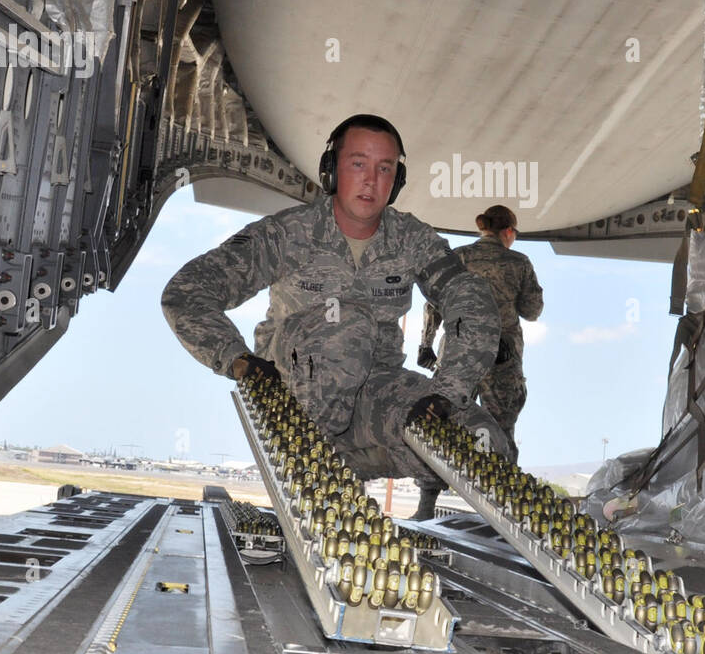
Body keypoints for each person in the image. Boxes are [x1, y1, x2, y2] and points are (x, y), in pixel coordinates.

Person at [160, 114, 511, 521]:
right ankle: (310, 485)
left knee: (480, 438)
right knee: (345, 327)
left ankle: (346, 478)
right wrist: (237, 360)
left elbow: (470, 300)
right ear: (331, 171)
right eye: (358, 164)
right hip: (295, 398)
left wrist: (447, 394)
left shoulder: (412, 240)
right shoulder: (289, 234)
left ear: (397, 182)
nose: (371, 181)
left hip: (371, 396)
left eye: (386, 169)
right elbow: (187, 291)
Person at [419, 204, 543, 461]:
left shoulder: (458, 257)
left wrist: (425, 345)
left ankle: (428, 498)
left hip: (457, 353)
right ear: (508, 232)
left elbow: (433, 304)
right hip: (501, 356)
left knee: (441, 427)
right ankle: (504, 496)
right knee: (501, 431)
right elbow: (532, 310)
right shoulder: (519, 263)